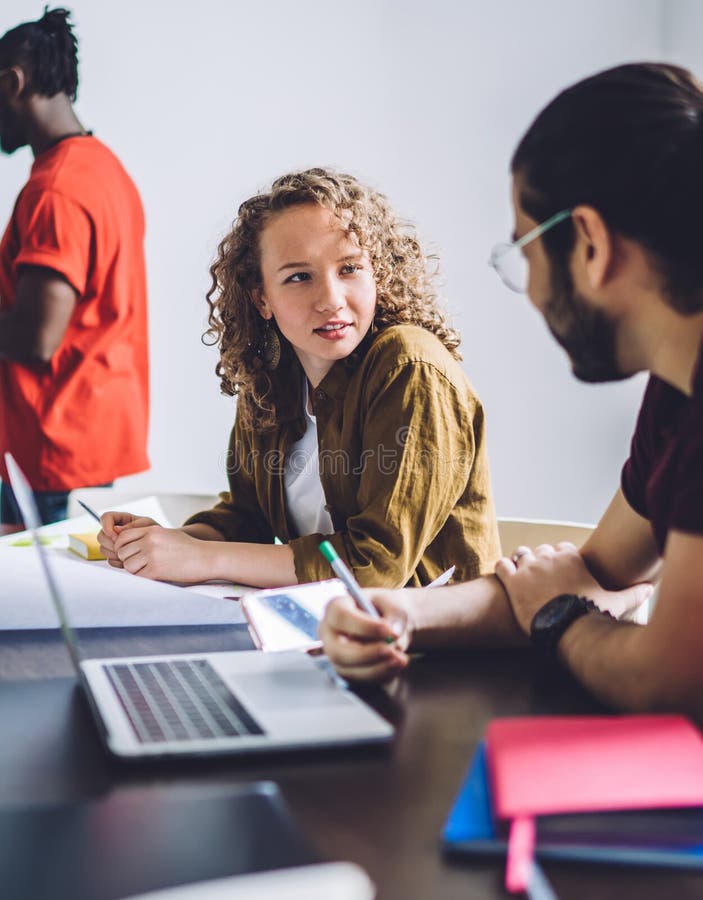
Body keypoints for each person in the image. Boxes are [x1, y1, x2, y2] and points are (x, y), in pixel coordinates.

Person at [320, 63, 703, 720]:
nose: (528, 288)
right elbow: (598, 573)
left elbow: (665, 679)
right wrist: (402, 613)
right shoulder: (675, 392)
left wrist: (558, 616)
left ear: (588, 243)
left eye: (523, 252)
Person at [98, 167, 500, 588]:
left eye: (349, 269)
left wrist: (203, 557)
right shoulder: (270, 378)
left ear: (377, 272)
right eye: (299, 277)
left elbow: (373, 567)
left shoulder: (410, 368)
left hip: (434, 643)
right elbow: (248, 520)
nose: (330, 300)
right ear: (262, 299)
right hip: (323, 631)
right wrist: (160, 544)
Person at [0, 7, 149, 525]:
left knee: (32, 603)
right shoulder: (103, 168)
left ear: (12, 83)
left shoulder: (56, 189)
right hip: (86, 432)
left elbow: (38, 337)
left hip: (48, 445)